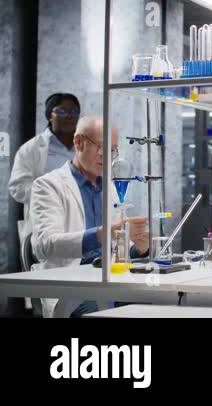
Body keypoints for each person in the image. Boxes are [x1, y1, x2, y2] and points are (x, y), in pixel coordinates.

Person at [29, 115, 149, 318]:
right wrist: (101, 235)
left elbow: (116, 248)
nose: (107, 157)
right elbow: (44, 245)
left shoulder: (110, 186)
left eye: (112, 150)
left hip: (111, 282)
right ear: (78, 142)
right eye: (102, 147)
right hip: (74, 290)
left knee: (155, 307)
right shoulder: (48, 186)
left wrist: (138, 248)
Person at [9, 93, 81, 242]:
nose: (69, 116)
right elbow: (17, 187)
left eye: (74, 112)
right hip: (46, 222)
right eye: (62, 111)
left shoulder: (85, 146)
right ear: (49, 116)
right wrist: (51, 192)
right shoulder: (31, 149)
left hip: (82, 221)